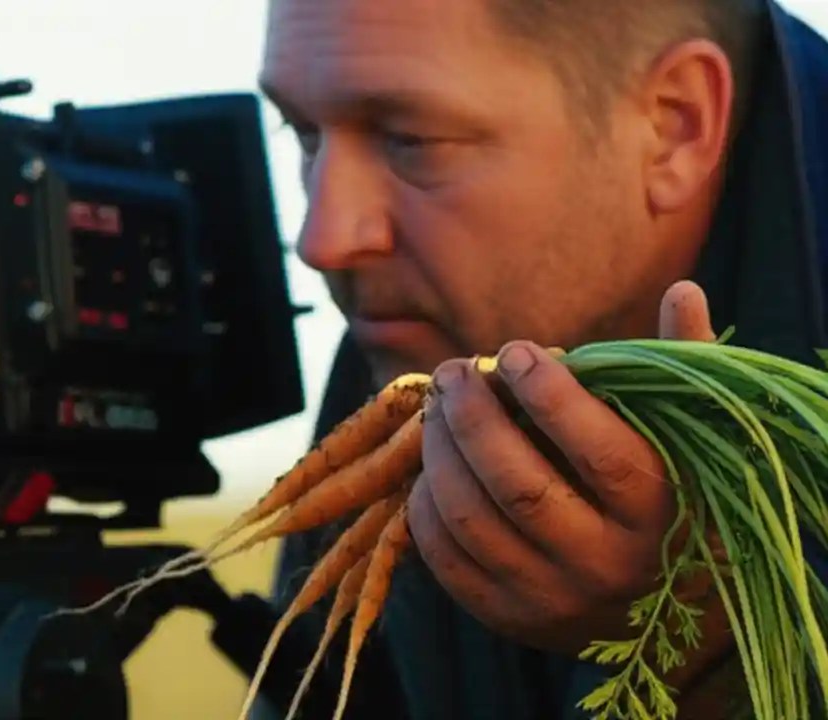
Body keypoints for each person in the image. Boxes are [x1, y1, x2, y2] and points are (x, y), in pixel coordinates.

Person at [252, 0, 828, 718]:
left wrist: (720, 656)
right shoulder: (420, 334)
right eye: (303, 132)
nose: (323, 238)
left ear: (674, 126)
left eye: (410, 140)